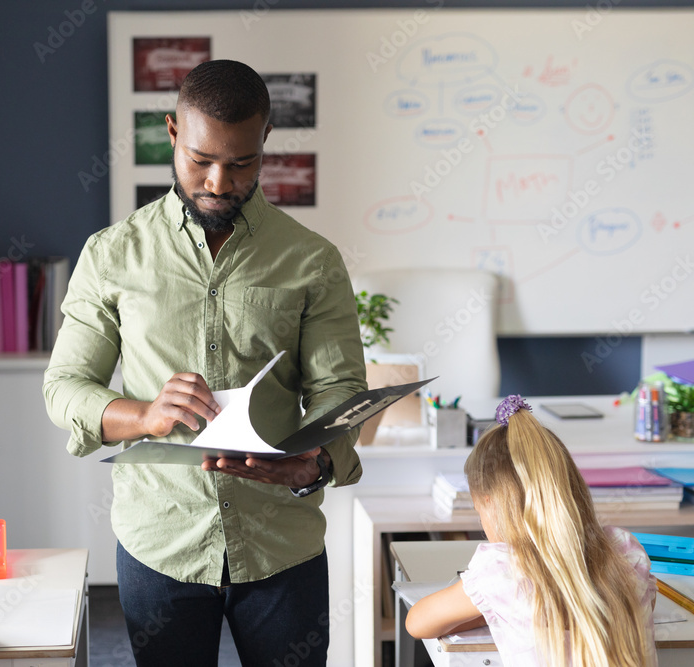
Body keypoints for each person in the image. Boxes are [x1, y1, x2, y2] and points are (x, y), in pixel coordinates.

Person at [43, 59, 366, 665]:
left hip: (281, 544)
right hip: (159, 540)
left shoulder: (312, 261)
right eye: (200, 160)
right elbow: (65, 388)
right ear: (171, 133)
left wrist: (317, 462)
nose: (219, 181)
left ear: (265, 142)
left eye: (241, 163)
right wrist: (144, 414)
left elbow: (342, 391)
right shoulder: (112, 255)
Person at [405, 396, 657, 667]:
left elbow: (417, 623)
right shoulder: (625, 548)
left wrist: (487, 610)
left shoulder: (501, 569)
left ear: (489, 502)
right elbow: (643, 605)